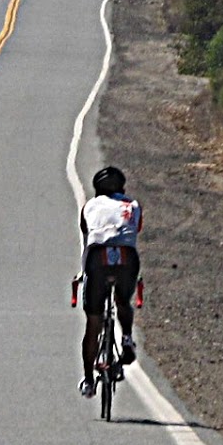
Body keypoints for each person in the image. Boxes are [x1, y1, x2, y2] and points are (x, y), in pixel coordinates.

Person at [78, 165, 142, 398]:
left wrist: (83, 272)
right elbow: (134, 230)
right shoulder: (132, 205)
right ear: (121, 188)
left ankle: (88, 380)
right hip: (127, 257)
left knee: (93, 321)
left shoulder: (89, 207)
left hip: (97, 259)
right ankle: (126, 338)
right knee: (123, 300)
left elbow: (87, 237)